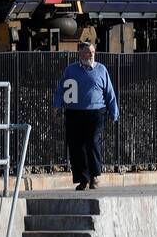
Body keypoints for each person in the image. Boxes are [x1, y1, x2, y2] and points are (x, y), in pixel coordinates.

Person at [51, 40, 120, 190]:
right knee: (76, 146)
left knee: (93, 142)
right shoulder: (71, 70)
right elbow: (62, 89)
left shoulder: (101, 70)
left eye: (93, 52)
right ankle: (83, 179)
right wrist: (56, 106)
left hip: (96, 112)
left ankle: (95, 176)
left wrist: (114, 111)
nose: (91, 55)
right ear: (81, 54)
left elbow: (109, 92)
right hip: (74, 113)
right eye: (88, 52)